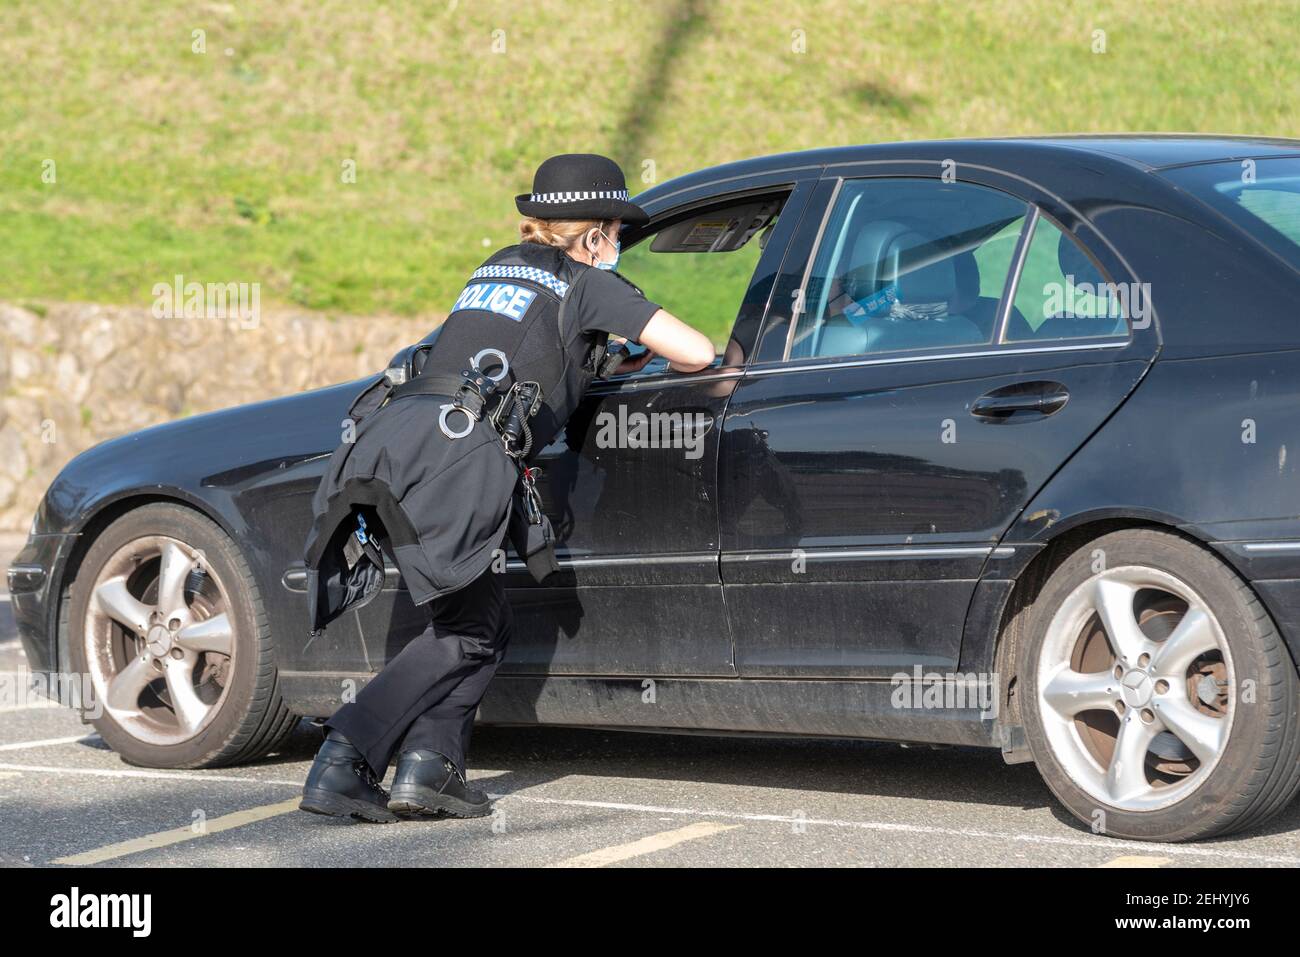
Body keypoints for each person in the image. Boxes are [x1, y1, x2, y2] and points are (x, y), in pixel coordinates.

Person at [298, 153, 714, 822]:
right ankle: (344, 755)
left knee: (477, 620)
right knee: (467, 630)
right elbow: (695, 352)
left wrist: (598, 353)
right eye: (614, 230)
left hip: (392, 443)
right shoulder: (588, 283)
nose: (617, 244)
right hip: (456, 460)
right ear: (593, 234)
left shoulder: (494, 265)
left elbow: (513, 344)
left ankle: (429, 769)